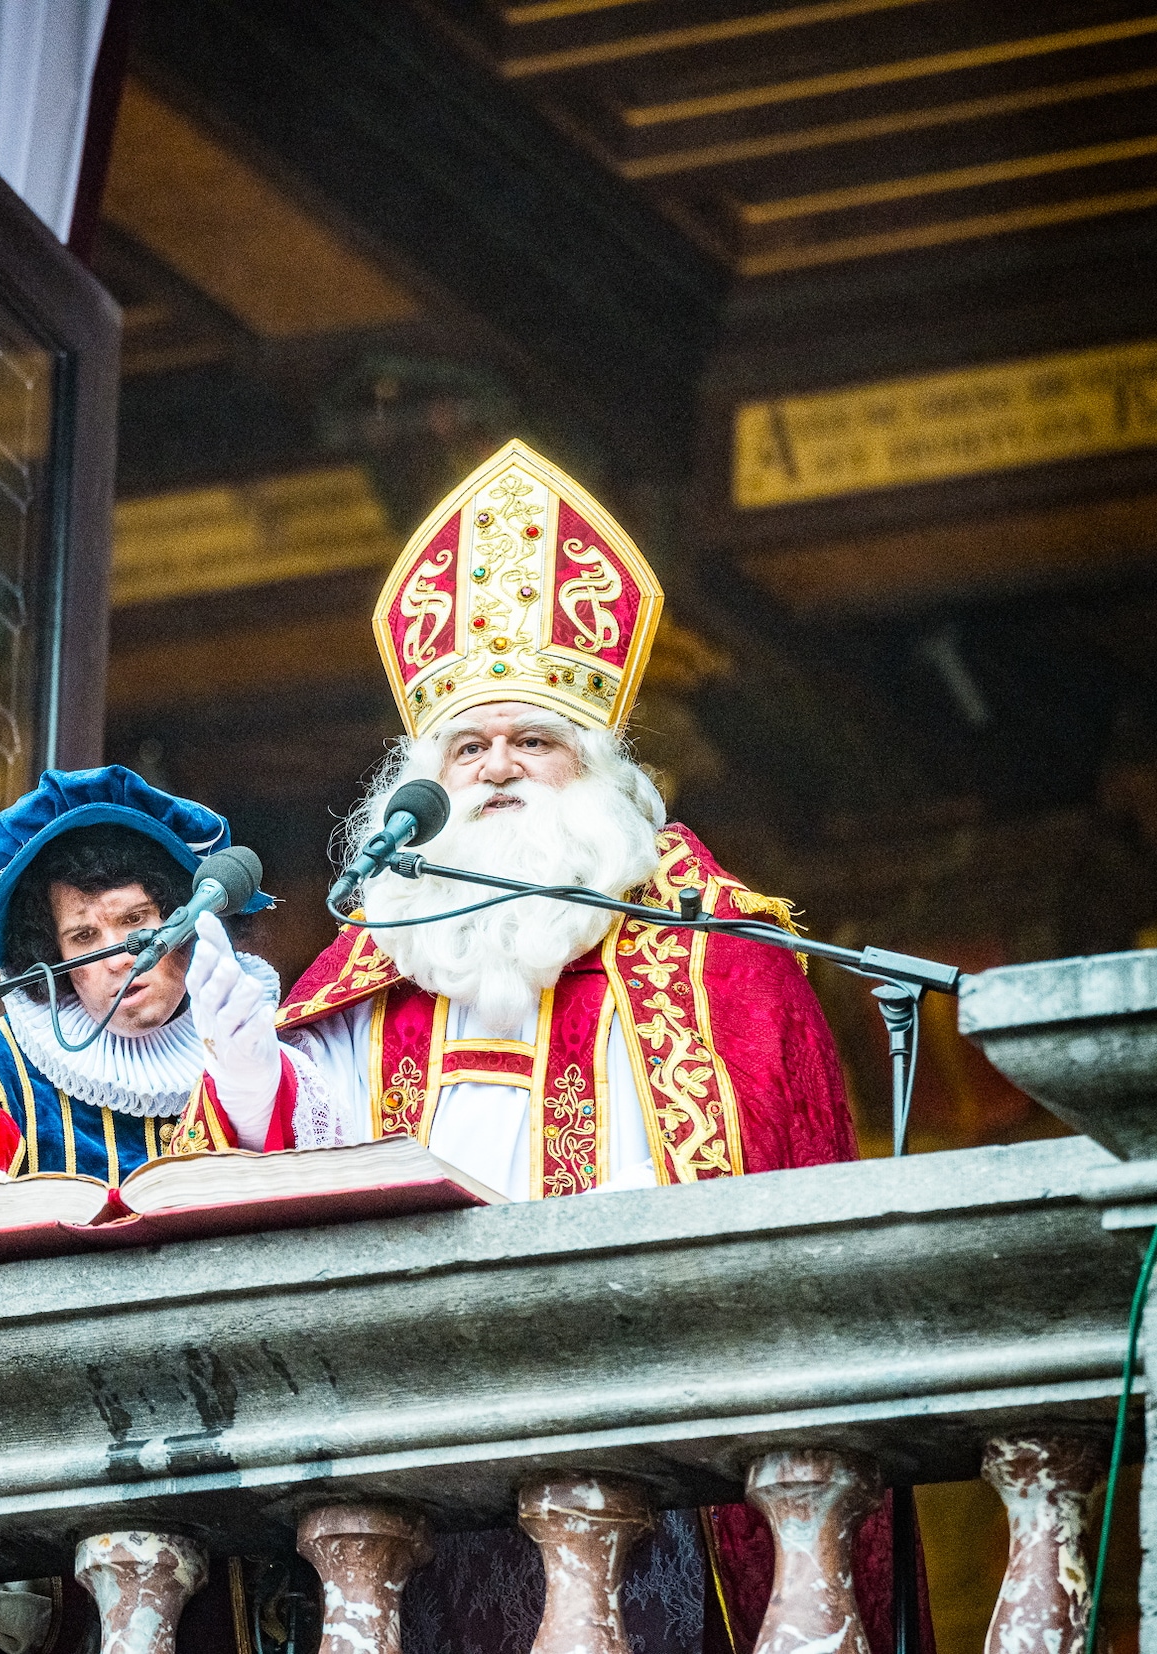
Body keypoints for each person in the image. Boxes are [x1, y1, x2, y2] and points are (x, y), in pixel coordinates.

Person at [173, 440, 931, 1654]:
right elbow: (279, 1177)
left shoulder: (716, 960)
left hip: (643, 1470)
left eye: (533, 741)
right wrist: (246, 1067)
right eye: (467, 750)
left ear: (599, 773)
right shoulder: (374, 967)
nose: (496, 769)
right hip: (402, 1481)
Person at [0, 767, 279, 1199]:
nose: (119, 959)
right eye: (84, 937)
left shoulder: (272, 1050)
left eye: (135, 920)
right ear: (50, 955)